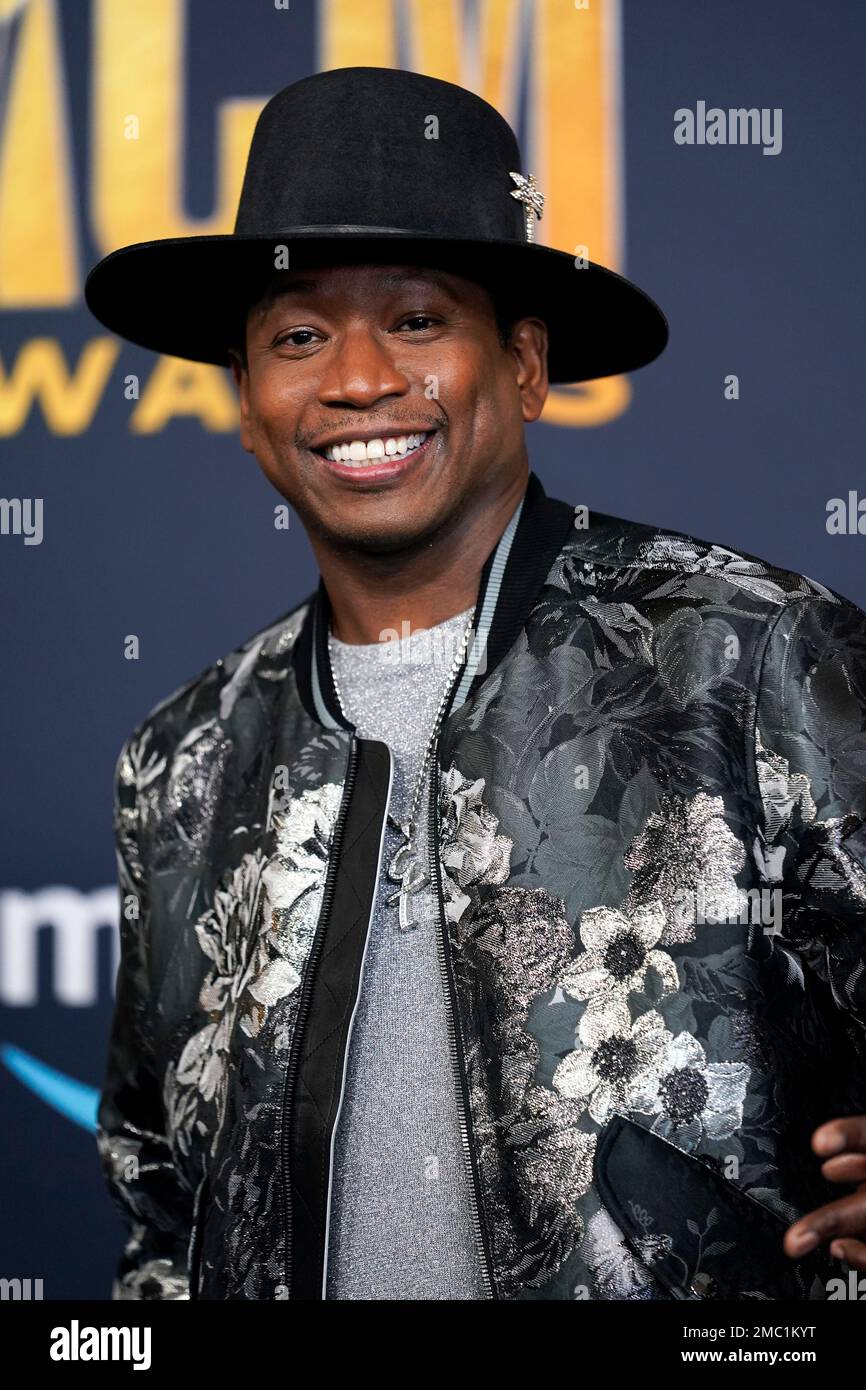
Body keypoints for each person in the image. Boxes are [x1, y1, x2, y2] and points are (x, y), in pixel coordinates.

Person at [85, 66, 866, 1301]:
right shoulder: (183, 760)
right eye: (296, 335)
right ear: (246, 403)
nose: (354, 381)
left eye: (414, 321)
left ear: (523, 367)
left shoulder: (749, 652)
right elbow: (158, 1199)